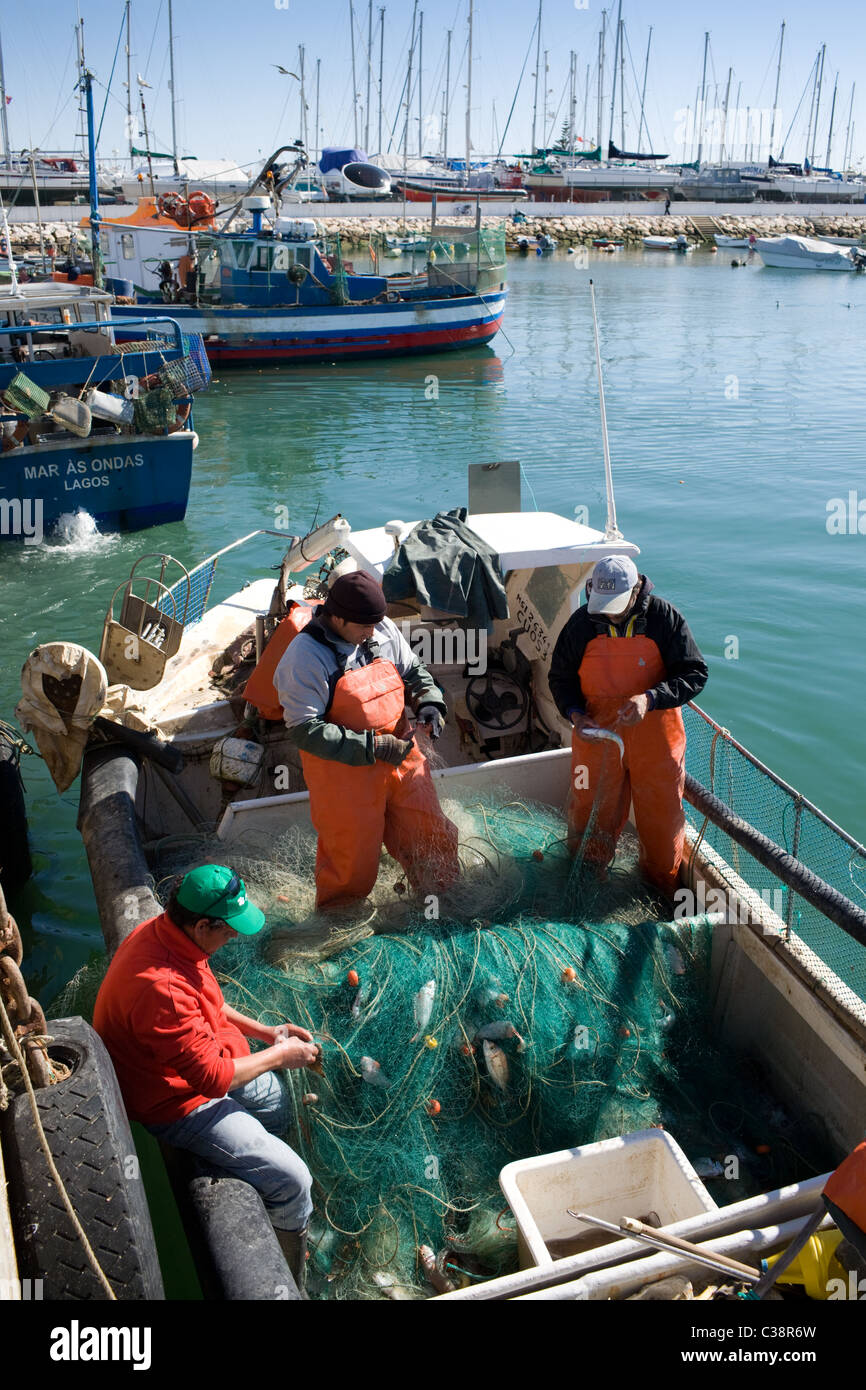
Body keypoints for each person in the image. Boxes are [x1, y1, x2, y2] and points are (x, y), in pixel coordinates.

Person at [93, 864, 317, 1289]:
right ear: (200, 925)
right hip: (175, 1103)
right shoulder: (161, 988)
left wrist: (266, 1033)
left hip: (203, 1063)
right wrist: (280, 1053)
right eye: (229, 929)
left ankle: (260, 1178)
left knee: (274, 1099)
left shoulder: (167, 935)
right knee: (295, 1181)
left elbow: (209, 1002)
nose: (234, 937)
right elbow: (213, 1080)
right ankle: (291, 1278)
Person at [274, 569, 459, 909]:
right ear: (337, 617)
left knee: (432, 837)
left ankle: (440, 903)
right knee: (351, 864)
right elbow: (304, 729)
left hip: (403, 758)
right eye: (364, 628)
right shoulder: (303, 658)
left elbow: (414, 671)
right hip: (346, 777)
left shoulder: (380, 627)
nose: (373, 633)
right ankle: (340, 921)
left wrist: (430, 702)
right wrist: (372, 747)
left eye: (376, 624)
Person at [548, 555, 708, 899]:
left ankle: (658, 889)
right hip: (597, 735)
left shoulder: (665, 619)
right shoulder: (580, 624)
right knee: (589, 811)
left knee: (661, 821)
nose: (610, 613)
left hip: (656, 738)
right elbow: (560, 678)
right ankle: (586, 880)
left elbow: (694, 673)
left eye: (617, 605)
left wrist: (649, 699)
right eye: (603, 606)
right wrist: (575, 715)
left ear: (637, 590)